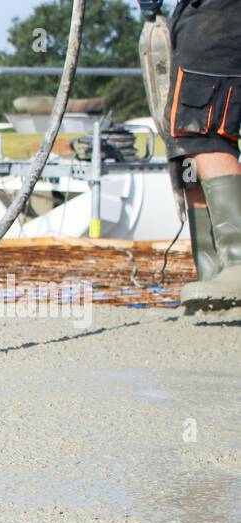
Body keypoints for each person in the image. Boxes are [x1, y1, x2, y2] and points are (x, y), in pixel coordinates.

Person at [141, 0, 241, 311]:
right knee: (185, 143)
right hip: (201, 16)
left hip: (219, 15)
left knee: (203, 131)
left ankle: (238, 263)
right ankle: (215, 277)